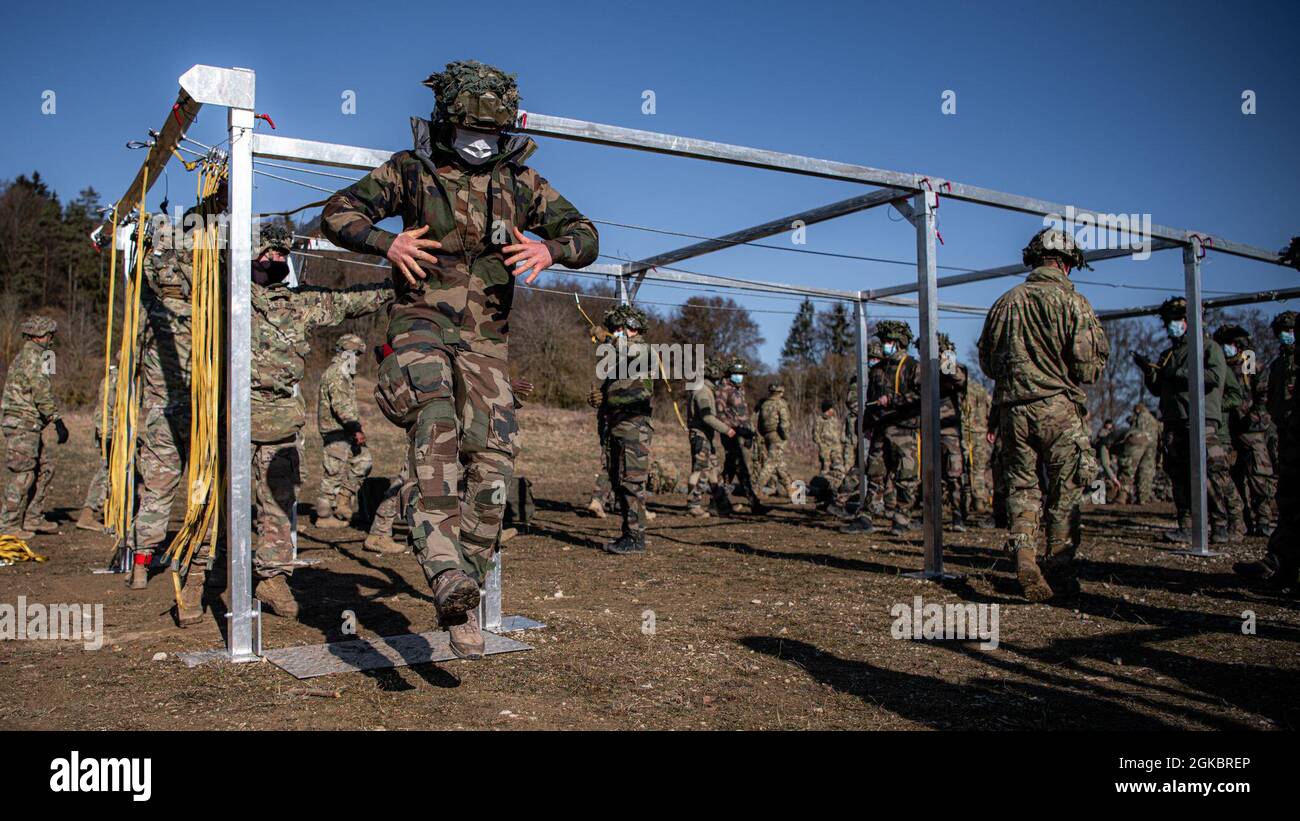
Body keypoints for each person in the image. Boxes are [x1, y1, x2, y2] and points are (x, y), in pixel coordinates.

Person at [320, 60, 598, 659]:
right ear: (446, 124)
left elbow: (586, 234)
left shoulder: (523, 183)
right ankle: (443, 569)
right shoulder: (411, 170)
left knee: (494, 469)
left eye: (493, 135)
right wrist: (384, 241)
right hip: (419, 325)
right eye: (471, 130)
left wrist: (552, 248)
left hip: (487, 343)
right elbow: (338, 211)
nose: (481, 143)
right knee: (437, 430)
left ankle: (461, 593)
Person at [247, 224, 394, 618]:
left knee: (278, 500)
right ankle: (203, 574)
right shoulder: (228, 300)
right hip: (231, 417)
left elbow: (347, 304)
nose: (275, 260)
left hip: (279, 421)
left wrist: (399, 281)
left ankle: (272, 577)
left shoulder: (297, 305)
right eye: (267, 254)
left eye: (282, 255)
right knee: (218, 499)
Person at [977, 228, 1108, 600]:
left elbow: (987, 361)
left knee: (1022, 486)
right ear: (1067, 265)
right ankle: (1061, 567)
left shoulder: (1005, 302)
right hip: (1058, 408)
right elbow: (1088, 368)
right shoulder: (1074, 303)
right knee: (1066, 489)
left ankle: (1024, 557)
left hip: (1013, 411)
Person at [1135, 297, 1243, 544]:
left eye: (1177, 320)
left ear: (1187, 321)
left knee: (1210, 474)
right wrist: (1149, 370)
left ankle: (1220, 525)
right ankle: (1186, 525)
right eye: (1169, 322)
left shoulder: (1208, 348)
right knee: (1179, 475)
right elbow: (1158, 388)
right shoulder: (1169, 354)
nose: (1172, 326)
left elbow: (1215, 376)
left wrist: (1180, 372)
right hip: (1174, 420)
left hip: (1200, 419)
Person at [129, 219, 195, 589]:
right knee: (203, 487)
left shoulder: (150, 315)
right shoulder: (205, 314)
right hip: (196, 412)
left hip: (158, 415)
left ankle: (141, 563)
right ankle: (199, 555)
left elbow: (137, 291)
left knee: (155, 490)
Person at [588, 304, 654, 553]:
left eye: (623, 328)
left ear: (635, 329)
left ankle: (636, 538)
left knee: (632, 482)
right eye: (615, 328)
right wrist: (599, 399)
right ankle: (628, 535)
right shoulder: (618, 360)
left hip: (634, 427)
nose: (619, 332)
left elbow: (631, 351)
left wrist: (607, 337)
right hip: (615, 426)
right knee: (617, 479)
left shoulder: (643, 350)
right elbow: (610, 391)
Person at [1, 316, 66, 538]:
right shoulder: (32, 357)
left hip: (32, 423)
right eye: (49, 335)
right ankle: (8, 524)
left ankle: (32, 517)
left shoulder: (43, 356)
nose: (51, 340)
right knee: (24, 473)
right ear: (38, 336)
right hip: (22, 423)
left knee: (46, 467)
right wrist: (56, 419)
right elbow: (42, 392)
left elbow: (46, 385)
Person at [1214, 324, 1276, 536]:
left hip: (1250, 429)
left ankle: (1264, 521)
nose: (1226, 349)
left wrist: (1255, 415)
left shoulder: (1248, 364)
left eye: (1230, 344)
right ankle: (1242, 521)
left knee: (1259, 476)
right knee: (1233, 477)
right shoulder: (1220, 365)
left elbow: (1261, 393)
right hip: (1227, 429)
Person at [314, 334, 373, 529]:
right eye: (356, 354)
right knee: (333, 471)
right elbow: (340, 405)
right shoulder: (337, 373)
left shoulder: (345, 373)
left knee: (363, 461)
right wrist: (355, 427)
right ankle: (324, 514)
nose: (357, 359)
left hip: (345, 428)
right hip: (335, 430)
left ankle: (343, 499)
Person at [714, 358, 767, 514]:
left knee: (731, 468)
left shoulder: (739, 390)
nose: (740, 376)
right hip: (730, 434)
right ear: (730, 374)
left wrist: (748, 433)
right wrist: (734, 429)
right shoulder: (723, 390)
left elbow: (743, 415)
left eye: (742, 373)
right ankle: (754, 503)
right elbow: (719, 414)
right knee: (740, 467)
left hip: (741, 434)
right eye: (737, 373)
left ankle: (717, 501)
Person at [685, 357, 729, 518]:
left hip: (706, 436)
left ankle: (721, 504)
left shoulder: (703, 389)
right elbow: (707, 417)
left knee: (713, 470)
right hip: (701, 435)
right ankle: (693, 505)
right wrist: (727, 430)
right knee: (700, 469)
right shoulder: (703, 390)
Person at [76, 365, 117, 532]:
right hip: (110, 432)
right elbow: (105, 411)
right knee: (106, 471)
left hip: (111, 431)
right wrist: (109, 434)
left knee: (116, 472)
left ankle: (114, 513)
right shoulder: (115, 381)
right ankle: (88, 513)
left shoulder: (119, 380)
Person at [961, 376, 993, 526]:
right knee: (978, 470)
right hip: (980, 432)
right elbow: (990, 409)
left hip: (966, 433)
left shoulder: (962, 390)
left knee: (967, 469)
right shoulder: (981, 390)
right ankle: (979, 501)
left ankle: (970, 503)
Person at [754, 383, 795, 500]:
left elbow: (759, 423)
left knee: (779, 463)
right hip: (777, 436)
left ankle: (790, 489)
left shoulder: (764, 404)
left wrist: (763, 434)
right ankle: (756, 488)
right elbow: (784, 423)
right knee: (771, 463)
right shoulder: (781, 403)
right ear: (781, 392)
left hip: (767, 435)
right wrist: (785, 436)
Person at [1114, 403, 1160, 504]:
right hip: (1152, 444)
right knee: (1146, 470)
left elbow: (1133, 428)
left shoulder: (1139, 417)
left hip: (1137, 441)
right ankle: (1143, 498)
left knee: (1128, 467)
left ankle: (1122, 495)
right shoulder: (1153, 420)